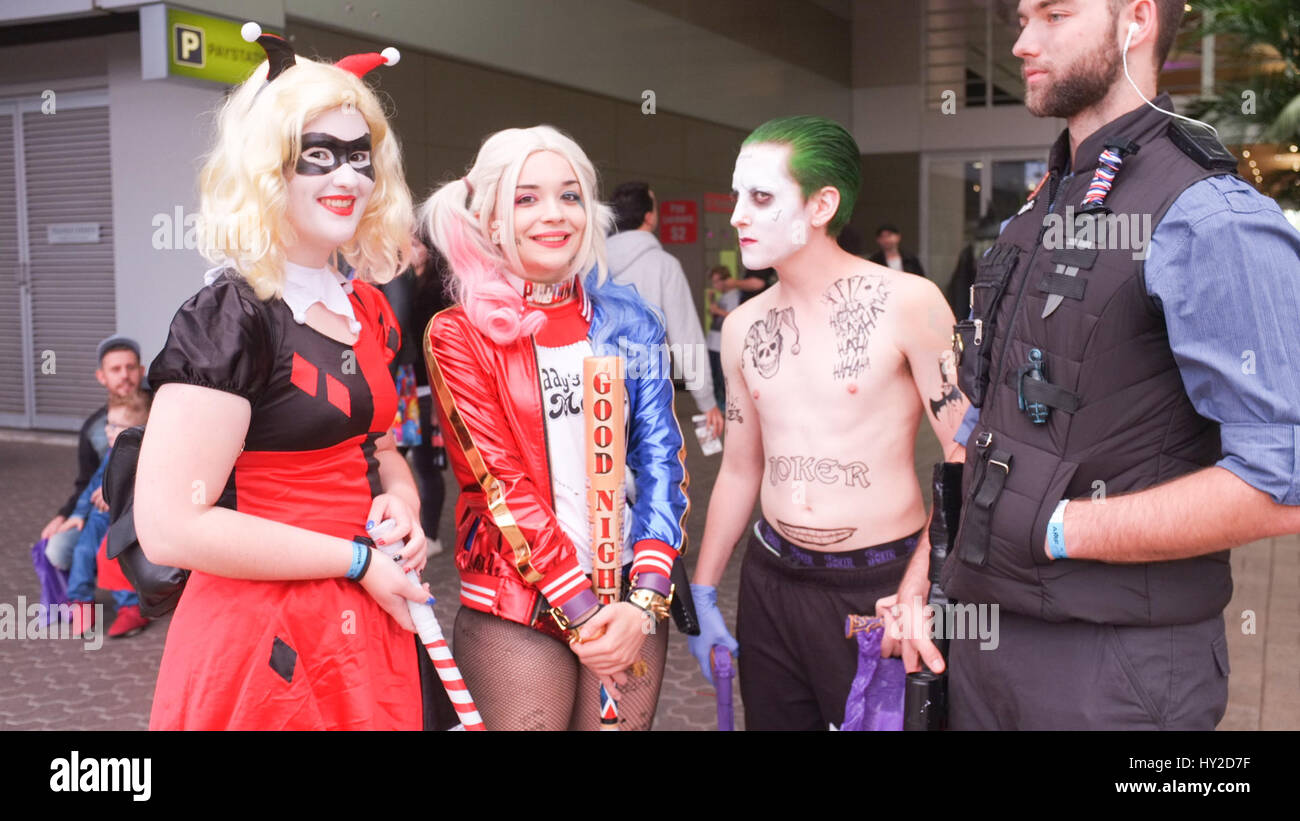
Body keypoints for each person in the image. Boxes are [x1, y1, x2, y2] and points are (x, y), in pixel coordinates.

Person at [884, 0, 1300, 730]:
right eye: (1022, 17)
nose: (1021, 42)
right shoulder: (1040, 209)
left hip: (1115, 674)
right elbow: (983, 419)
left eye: (1053, 15)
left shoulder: (1211, 217)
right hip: (983, 647)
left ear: (1135, 20)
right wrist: (927, 574)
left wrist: (1059, 528)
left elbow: (1283, 480)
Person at [135, 28, 431, 730]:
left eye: (361, 158)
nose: (348, 178)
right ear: (268, 169)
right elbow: (169, 526)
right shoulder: (230, 317)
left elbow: (381, 450)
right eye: (317, 156)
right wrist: (357, 558)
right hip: (264, 637)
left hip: (368, 614)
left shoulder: (366, 307)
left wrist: (405, 506)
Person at [687, 115, 968, 730]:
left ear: (821, 204)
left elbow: (968, 454)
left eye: (761, 197)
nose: (738, 215)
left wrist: (922, 586)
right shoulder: (741, 327)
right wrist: (703, 593)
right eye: (738, 194)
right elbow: (738, 468)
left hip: (878, 586)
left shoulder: (909, 302)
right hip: (771, 579)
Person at [422, 126, 689, 730]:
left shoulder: (632, 320)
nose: (554, 214)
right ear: (489, 218)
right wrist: (585, 609)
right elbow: (501, 487)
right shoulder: (458, 334)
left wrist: (643, 599)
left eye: (569, 196)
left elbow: (661, 465)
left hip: (628, 602)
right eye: (526, 198)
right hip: (517, 604)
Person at [607, 181, 723, 438]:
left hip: (596, 388)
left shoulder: (590, 264)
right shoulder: (664, 265)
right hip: (647, 389)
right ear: (649, 217)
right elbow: (685, 336)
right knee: (652, 470)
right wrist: (706, 399)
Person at [39, 336, 144, 564]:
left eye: (130, 367)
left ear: (141, 370)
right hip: (103, 515)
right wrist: (65, 515)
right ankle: (83, 592)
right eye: (115, 369)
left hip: (147, 510)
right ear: (101, 377)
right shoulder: (94, 428)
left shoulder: (160, 411)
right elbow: (85, 481)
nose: (124, 375)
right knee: (58, 549)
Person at [381, 229, 451, 558]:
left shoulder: (439, 289)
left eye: (416, 243)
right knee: (402, 459)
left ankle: (430, 533)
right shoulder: (404, 283)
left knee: (424, 463)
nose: (409, 248)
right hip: (409, 383)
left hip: (422, 387)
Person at [61, 390, 152, 639]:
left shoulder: (145, 459)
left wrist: (113, 493)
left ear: (140, 430)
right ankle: (81, 603)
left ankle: (130, 607)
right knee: (82, 551)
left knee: (111, 556)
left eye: (117, 427)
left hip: (124, 519)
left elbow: (146, 493)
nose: (109, 431)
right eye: (108, 424)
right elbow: (92, 486)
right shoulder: (111, 454)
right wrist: (79, 514)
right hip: (100, 516)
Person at [704, 265, 740, 412]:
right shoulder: (722, 296)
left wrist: (717, 310)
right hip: (713, 341)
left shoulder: (736, 295)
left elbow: (734, 317)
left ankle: (726, 406)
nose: (715, 285)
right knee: (714, 377)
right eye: (713, 282)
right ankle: (718, 405)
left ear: (726, 280)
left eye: (717, 281)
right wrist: (712, 303)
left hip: (722, 344)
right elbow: (717, 317)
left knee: (722, 377)